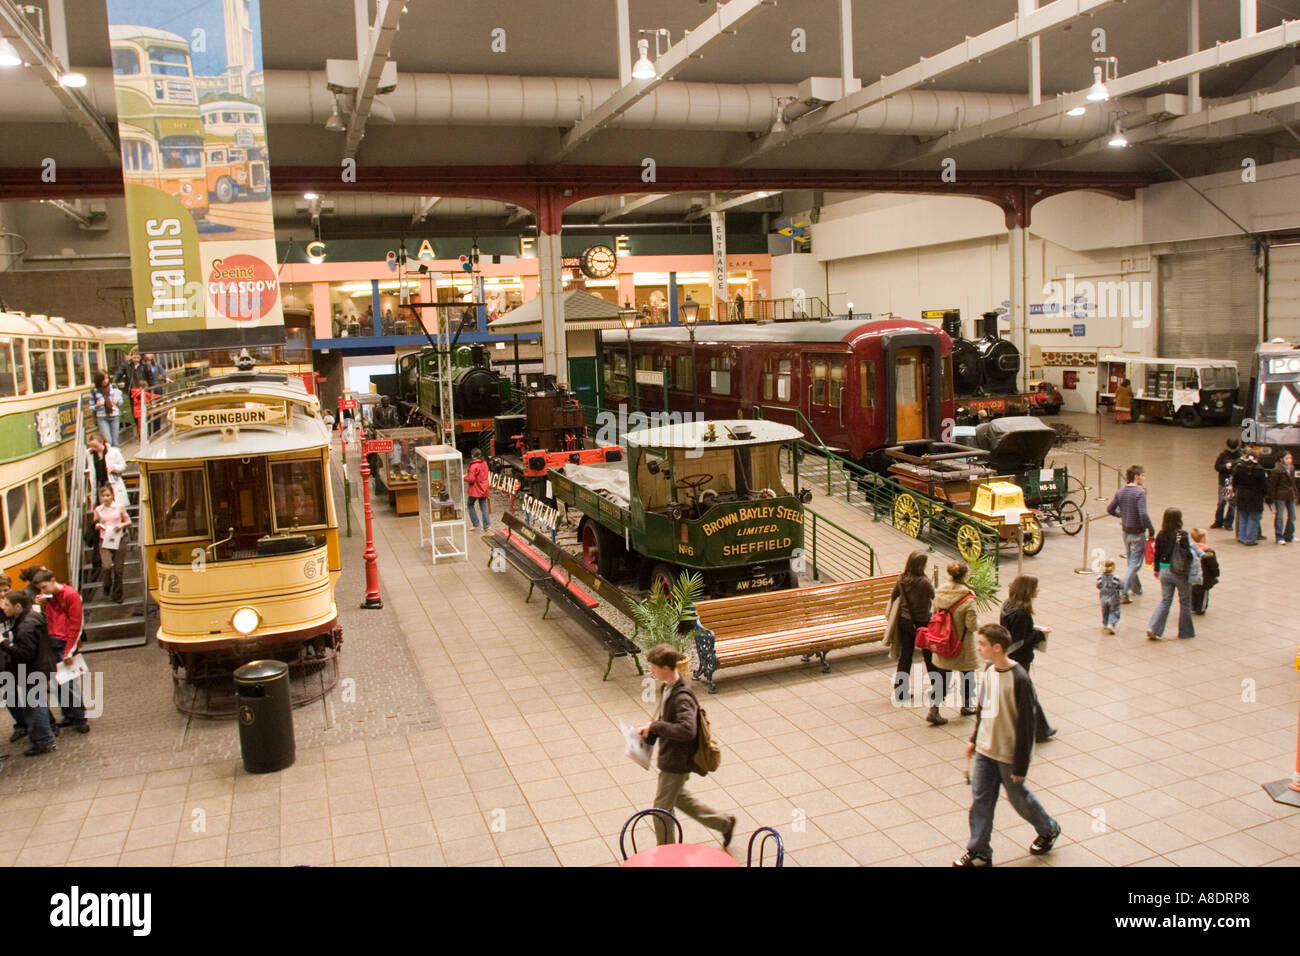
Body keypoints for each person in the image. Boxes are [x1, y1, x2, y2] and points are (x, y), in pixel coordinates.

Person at [953, 623, 1061, 867]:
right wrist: (974, 739)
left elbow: (1026, 724)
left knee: (1019, 799)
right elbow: (984, 708)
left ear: (997, 647)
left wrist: (1020, 766)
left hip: (1007, 754)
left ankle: (1048, 828)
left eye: (982, 645)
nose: (978, 648)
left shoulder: (1019, 679)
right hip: (985, 750)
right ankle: (979, 851)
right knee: (980, 800)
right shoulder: (990, 671)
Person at [638, 643, 736, 848]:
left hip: (676, 761)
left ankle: (666, 855)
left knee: (661, 812)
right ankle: (724, 823)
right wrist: (652, 729)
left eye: (654, 668)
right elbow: (669, 722)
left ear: (666, 668)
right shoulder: (669, 687)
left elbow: (686, 730)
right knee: (681, 800)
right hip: (671, 756)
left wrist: (656, 726)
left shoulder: (682, 697)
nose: (652, 672)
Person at [32, 570, 88, 733]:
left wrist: (69, 652)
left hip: (64, 644)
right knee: (58, 683)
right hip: (54, 642)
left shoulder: (70, 595)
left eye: (44, 587)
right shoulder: (50, 598)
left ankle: (79, 717)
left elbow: (76, 624)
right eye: (40, 589)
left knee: (69, 683)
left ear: (53, 580)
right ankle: (69, 714)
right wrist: (39, 605)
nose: (43, 592)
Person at [1000, 575, 1055, 742]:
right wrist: (1039, 634)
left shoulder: (1008, 605)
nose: (1037, 591)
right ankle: (1039, 730)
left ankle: (1039, 729)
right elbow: (1021, 641)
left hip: (1011, 656)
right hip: (1020, 658)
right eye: (1035, 588)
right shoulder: (1021, 614)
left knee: (1022, 693)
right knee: (1026, 694)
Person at [2, 590, 57, 757]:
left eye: (6, 604)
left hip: (33, 670)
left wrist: (4, 643)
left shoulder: (25, 626)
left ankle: (43, 741)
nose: (3, 607)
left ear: (17, 606)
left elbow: (25, 653)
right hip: (40, 667)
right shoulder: (31, 617)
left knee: (35, 706)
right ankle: (45, 737)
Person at [926, 562, 980, 725]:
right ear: (964, 576)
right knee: (967, 674)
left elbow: (935, 613)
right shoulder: (968, 598)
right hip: (962, 644)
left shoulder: (940, 592)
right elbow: (972, 625)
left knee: (942, 675)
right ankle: (967, 705)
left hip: (943, 641)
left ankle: (934, 709)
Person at [888, 551, 934, 707]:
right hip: (923, 623)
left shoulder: (901, 579)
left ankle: (901, 691)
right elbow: (934, 596)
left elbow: (894, 596)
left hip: (905, 622)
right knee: (929, 656)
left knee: (905, 656)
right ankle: (937, 687)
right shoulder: (924, 582)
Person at [1146, 508, 1197, 641]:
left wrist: (1156, 569)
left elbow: (1157, 552)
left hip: (1164, 570)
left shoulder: (1161, 534)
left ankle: (1154, 627)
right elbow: (1187, 554)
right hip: (1179, 572)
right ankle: (1185, 631)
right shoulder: (1182, 535)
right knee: (1185, 601)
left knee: (1165, 601)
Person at [1106, 465, 1155, 603]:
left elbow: (1110, 509)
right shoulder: (1139, 493)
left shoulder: (1121, 492)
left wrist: (1121, 515)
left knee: (1131, 559)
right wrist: (1150, 528)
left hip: (1126, 531)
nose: (1144, 478)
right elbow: (1143, 514)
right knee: (1135, 563)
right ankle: (1123, 590)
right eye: (1143, 475)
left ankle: (1136, 588)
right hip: (1137, 532)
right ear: (1136, 476)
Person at [93, 485, 132, 604]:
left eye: (108, 495)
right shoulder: (98, 510)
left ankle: (118, 595)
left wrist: (121, 525)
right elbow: (95, 523)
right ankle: (107, 584)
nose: (105, 498)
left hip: (118, 539)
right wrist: (98, 526)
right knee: (107, 566)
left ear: (112, 496)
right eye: (103, 496)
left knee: (119, 570)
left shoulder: (119, 508)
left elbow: (128, 521)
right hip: (105, 540)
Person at [114, 349, 156, 430]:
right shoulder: (126, 365)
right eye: (134, 358)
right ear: (131, 357)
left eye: (137, 358)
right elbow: (119, 373)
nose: (136, 360)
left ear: (140, 357)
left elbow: (150, 378)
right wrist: (114, 381)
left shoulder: (145, 366)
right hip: (132, 391)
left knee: (146, 409)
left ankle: (147, 429)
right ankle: (139, 428)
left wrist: (151, 388)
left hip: (143, 390)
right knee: (135, 411)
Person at [1232, 454, 1268, 546]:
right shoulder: (1260, 471)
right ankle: (1250, 539)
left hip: (1242, 495)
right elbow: (1264, 486)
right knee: (1253, 518)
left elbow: (1234, 482)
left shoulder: (1239, 469)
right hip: (1255, 497)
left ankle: (1242, 537)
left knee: (1243, 517)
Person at [85, 433, 128, 507]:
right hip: (99, 484)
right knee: (104, 505)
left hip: (111, 482)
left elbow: (123, 465)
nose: (94, 448)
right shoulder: (90, 455)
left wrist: (115, 468)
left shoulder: (113, 452)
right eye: (92, 446)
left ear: (101, 442)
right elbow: (92, 469)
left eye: (95, 446)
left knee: (116, 504)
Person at [1267, 451, 1298, 545]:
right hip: (1280, 496)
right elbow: (1272, 485)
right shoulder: (1277, 470)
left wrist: (1295, 493)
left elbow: (1293, 483)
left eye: (1290, 458)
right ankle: (1279, 536)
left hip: (1290, 495)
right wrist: (1271, 498)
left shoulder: (1292, 468)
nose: (1289, 460)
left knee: (1292, 515)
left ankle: (1289, 534)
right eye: (1287, 458)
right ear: (1282, 459)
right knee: (1280, 516)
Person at [1211, 439, 1240, 529]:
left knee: (1232, 504)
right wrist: (1225, 466)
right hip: (1224, 482)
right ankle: (1218, 521)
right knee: (1221, 502)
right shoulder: (1223, 455)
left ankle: (1228, 523)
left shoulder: (1239, 455)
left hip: (1234, 483)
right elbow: (1216, 466)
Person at [1189, 527, 1219, 614]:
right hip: (1204, 576)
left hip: (1192, 575)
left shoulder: (1190, 548)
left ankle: (1192, 606)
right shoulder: (1208, 551)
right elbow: (1213, 565)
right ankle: (1200, 608)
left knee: (1193, 591)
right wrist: (1216, 574)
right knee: (1203, 593)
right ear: (1203, 538)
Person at [90, 370, 123, 446]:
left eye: (107, 378)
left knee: (115, 441)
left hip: (114, 415)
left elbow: (121, 402)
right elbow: (91, 407)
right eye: (103, 379)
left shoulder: (113, 387)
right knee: (108, 442)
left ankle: (115, 457)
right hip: (102, 417)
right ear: (98, 380)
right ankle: (109, 456)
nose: (106, 381)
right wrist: (97, 406)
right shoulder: (94, 391)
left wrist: (117, 401)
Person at [465, 448, 491, 531]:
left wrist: (465, 477)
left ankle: (475, 523)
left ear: (473, 455)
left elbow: (471, 479)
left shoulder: (473, 466)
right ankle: (487, 525)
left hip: (475, 489)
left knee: (470, 504)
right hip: (484, 488)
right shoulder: (484, 463)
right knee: (483, 505)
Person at [1097, 558, 1122, 634]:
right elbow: (1120, 585)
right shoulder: (1115, 577)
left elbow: (1098, 585)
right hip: (1113, 597)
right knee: (1114, 610)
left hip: (1103, 597)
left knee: (1104, 610)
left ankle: (1105, 623)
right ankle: (1111, 623)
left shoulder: (1100, 577)